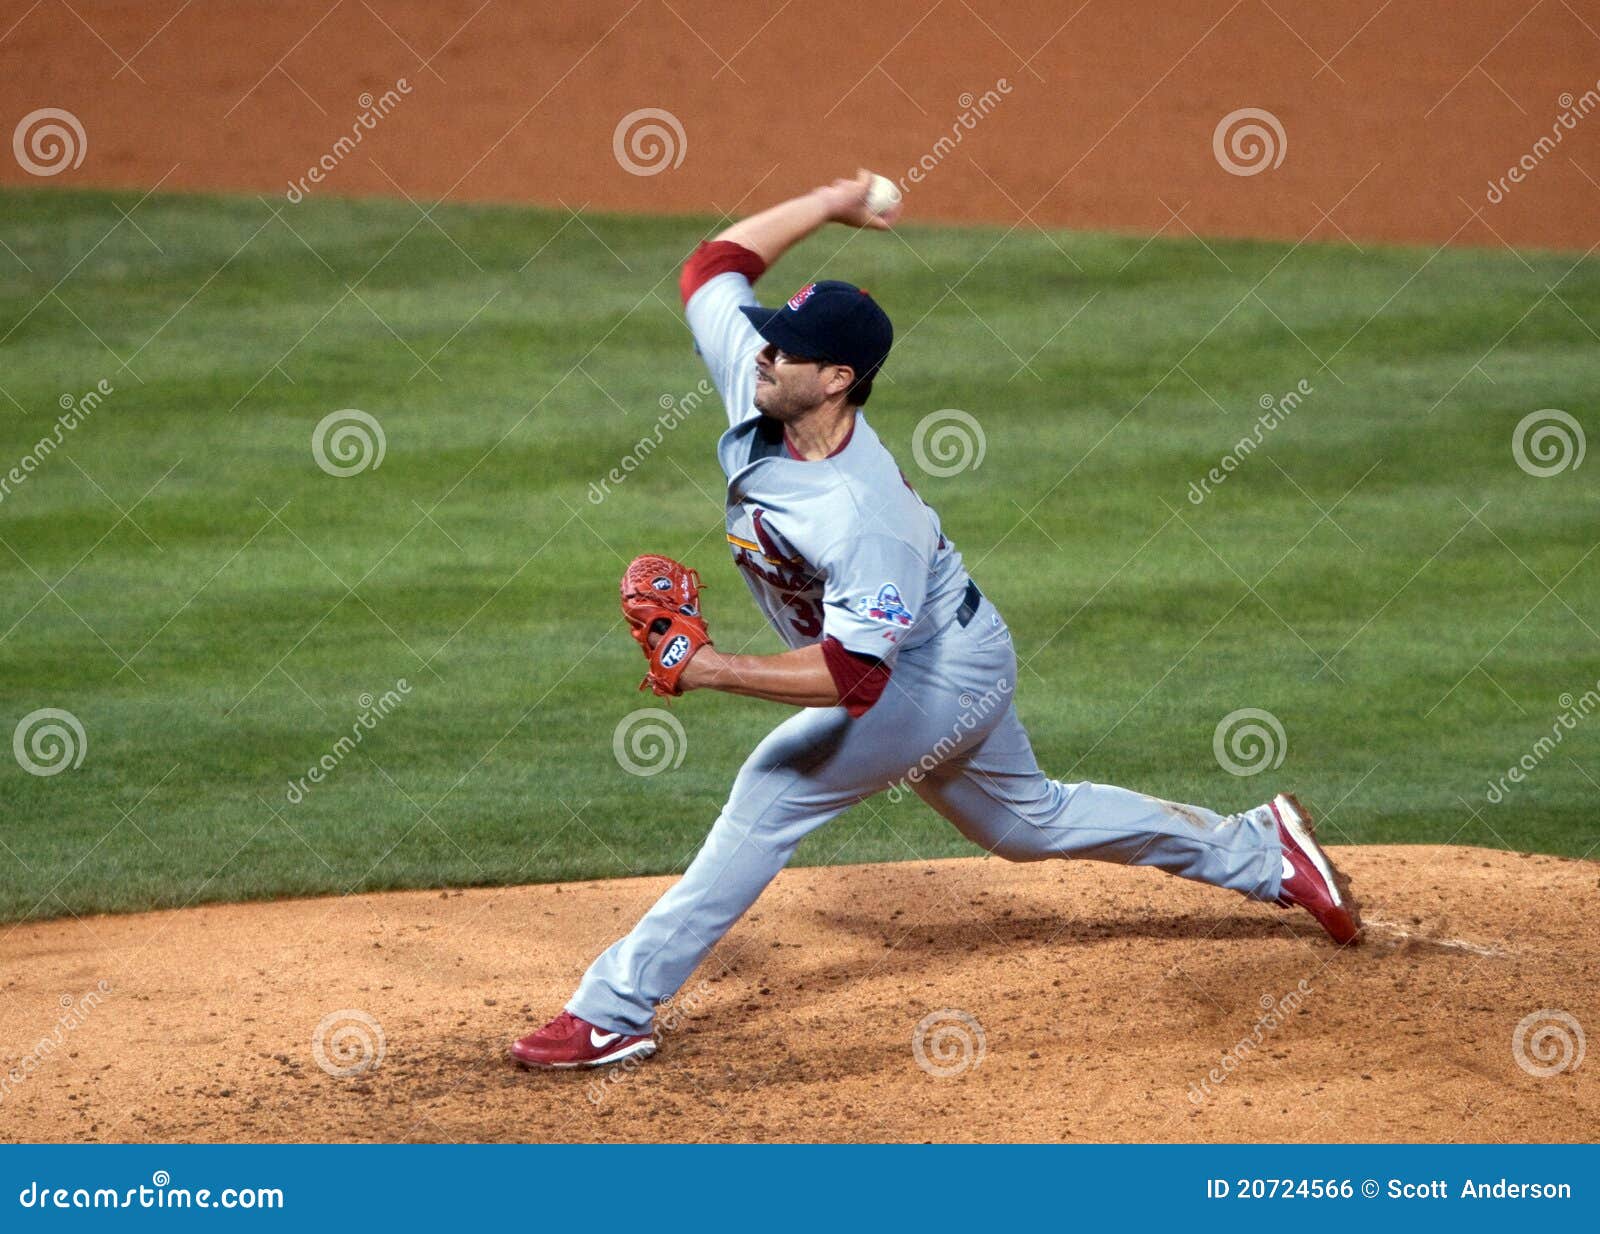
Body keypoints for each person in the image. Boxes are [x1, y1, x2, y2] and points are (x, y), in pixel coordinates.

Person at [511, 171, 1360, 1070]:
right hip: (952, 644)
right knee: (1025, 825)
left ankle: (613, 1009)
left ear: (836, 379)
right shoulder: (766, 380)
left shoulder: (862, 512)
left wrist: (710, 665)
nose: (762, 356)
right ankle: (1263, 850)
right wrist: (831, 202)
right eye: (765, 343)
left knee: (771, 794)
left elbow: (854, 679)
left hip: (931, 673)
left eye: (786, 352)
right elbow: (712, 265)